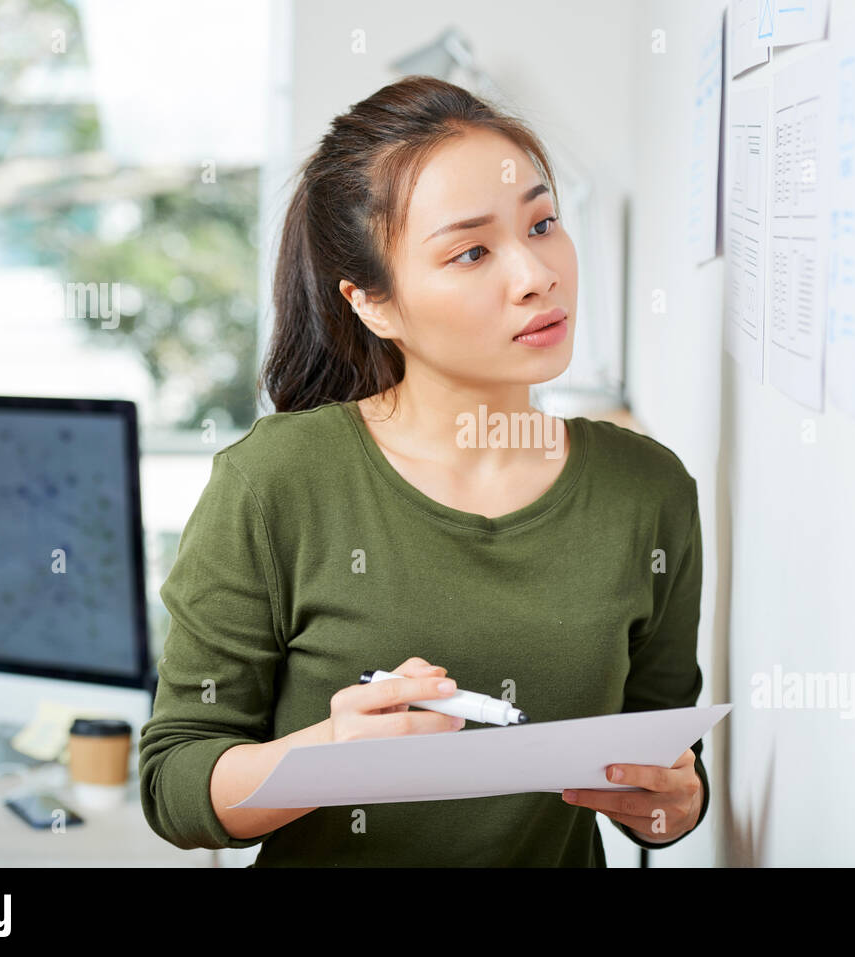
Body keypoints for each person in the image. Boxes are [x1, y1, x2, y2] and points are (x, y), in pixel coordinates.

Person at [138, 75, 709, 866]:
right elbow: (173, 781)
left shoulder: (649, 490)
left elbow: (664, 768)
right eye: (472, 251)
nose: (535, 274)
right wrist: (325, 758)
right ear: (373, 303)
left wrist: (678, 803)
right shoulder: (275, 482)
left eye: (542, 223)